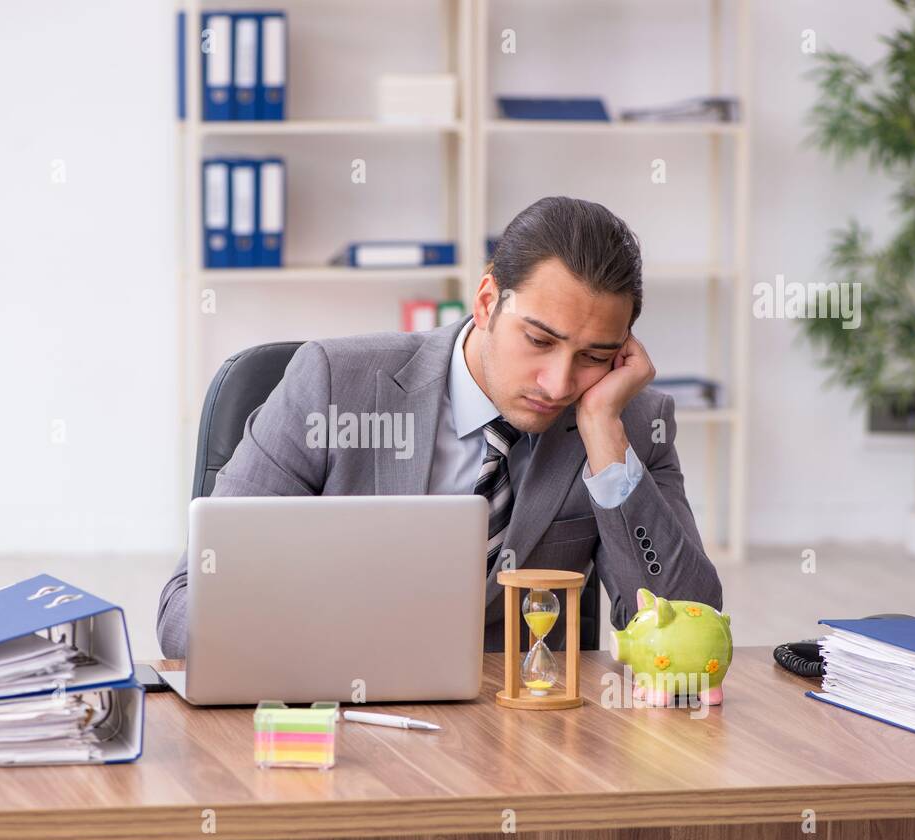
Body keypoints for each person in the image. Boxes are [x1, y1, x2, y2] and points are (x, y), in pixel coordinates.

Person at [157, 196, 723, 658]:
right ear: (486, 301)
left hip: (520, 739)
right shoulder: (332, 385)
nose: (557, 383)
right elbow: (188, 606)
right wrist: (322, 656)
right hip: (342, 720)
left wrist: (604, 434)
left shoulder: (629, 424)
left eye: (594, 356)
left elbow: (688, 628)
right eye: (539, 341)